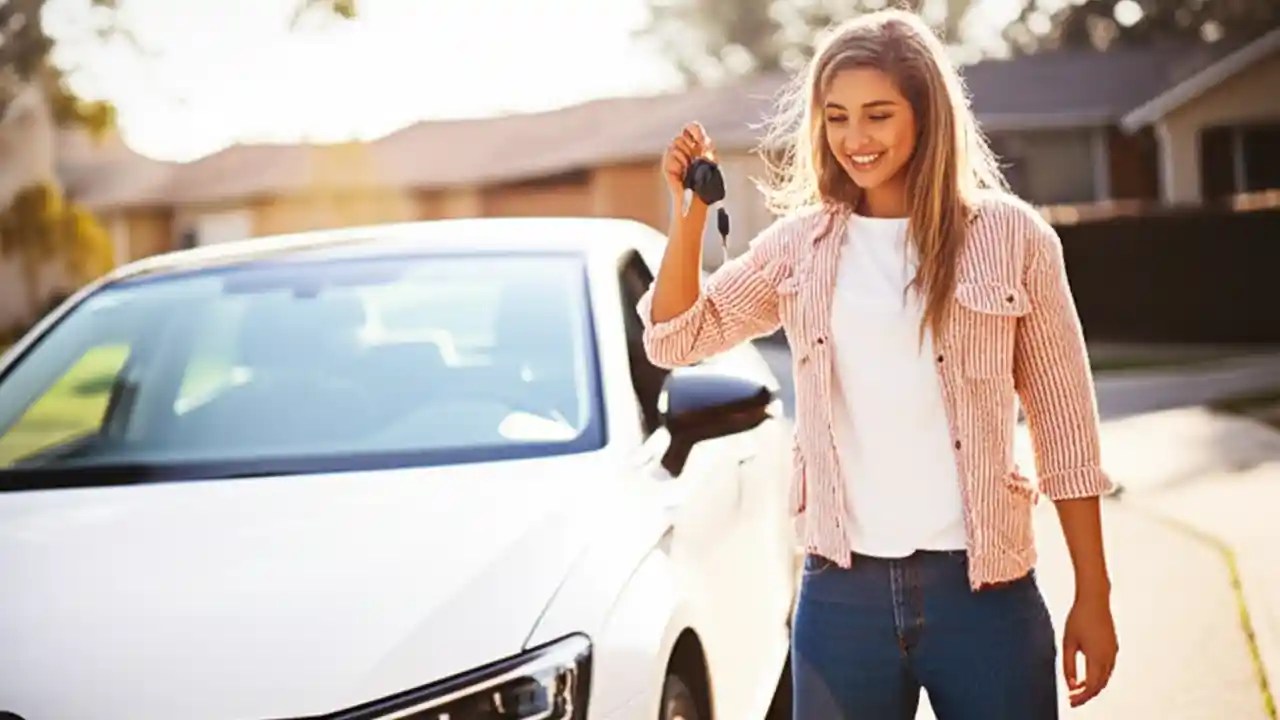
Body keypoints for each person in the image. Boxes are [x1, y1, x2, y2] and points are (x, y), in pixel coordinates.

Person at [637, 9, 1118, 720]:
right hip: (842, 600)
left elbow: (1067, 429)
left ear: (926, 114)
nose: (855, 139)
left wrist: (1094, 596)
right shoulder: (798, 246)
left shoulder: (1014, 238)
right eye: (836, 118)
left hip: (986, 596)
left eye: (878, 115)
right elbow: (676, 339)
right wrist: (686, 219)